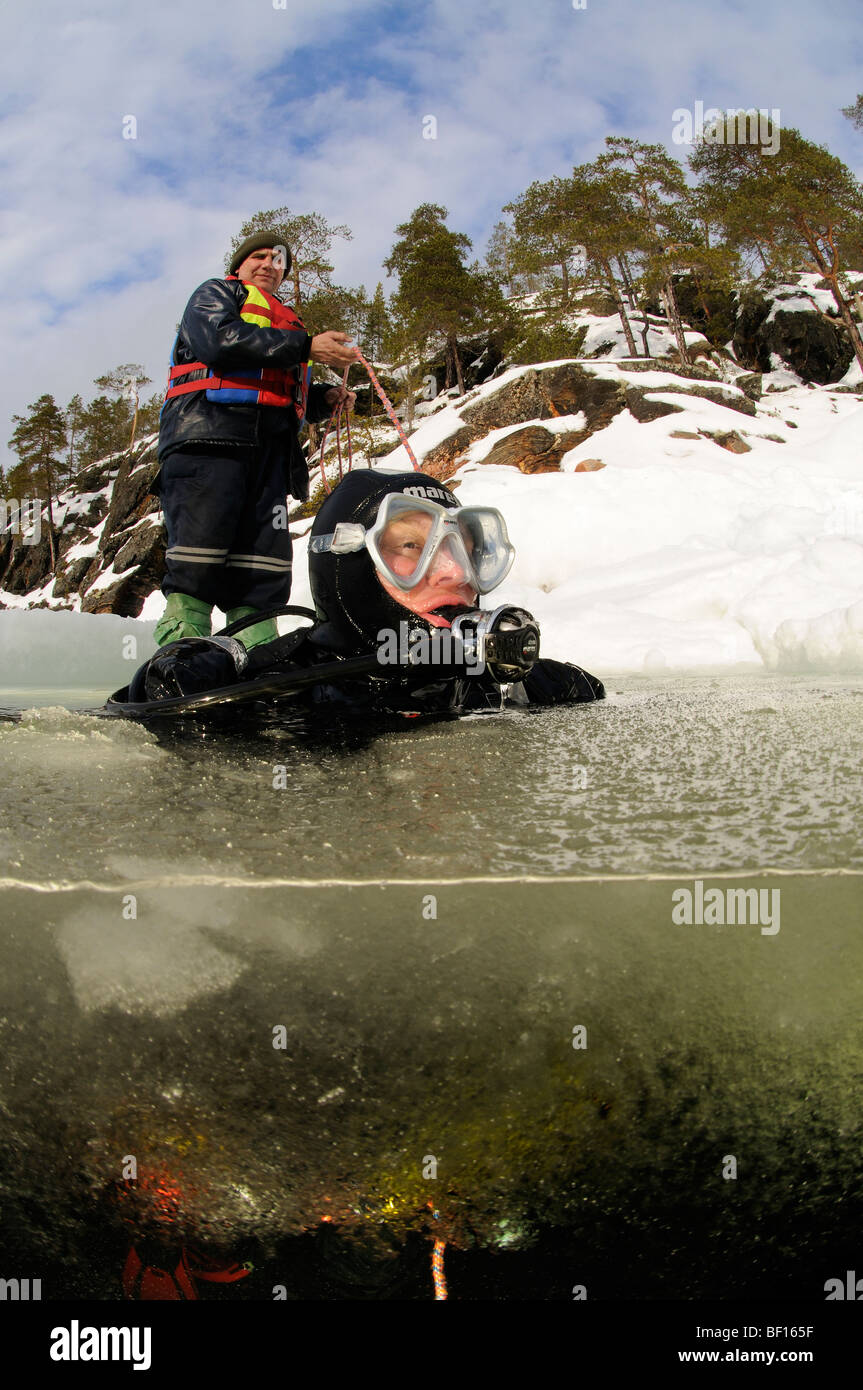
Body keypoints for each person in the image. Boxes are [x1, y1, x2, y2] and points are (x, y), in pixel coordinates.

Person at [114, 469, 605, 715]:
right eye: (413, 546)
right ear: (345, 562)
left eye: (467, 548)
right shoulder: (279, 689)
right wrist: (177, 679)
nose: (457, 573)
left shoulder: (505, 689)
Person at [151, 231, 357, 650]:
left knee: (262, 568)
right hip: (209, 442)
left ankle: (258, 656)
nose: (268, 264)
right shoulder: (215, 294)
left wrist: (323, 400)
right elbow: (219, 341)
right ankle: (182, 657)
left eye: (277, 261)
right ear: (240, 265)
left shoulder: (289, 325)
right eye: (259, 257)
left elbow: (280, 394)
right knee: (198, 557)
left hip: (271, 459)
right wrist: (304, 346)